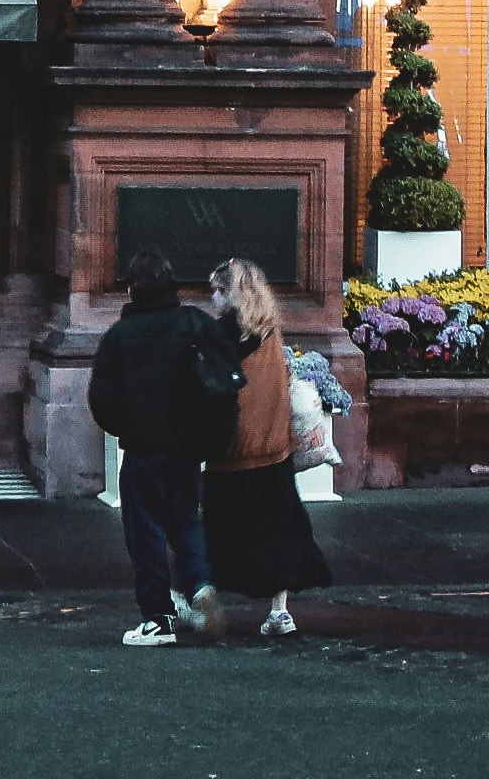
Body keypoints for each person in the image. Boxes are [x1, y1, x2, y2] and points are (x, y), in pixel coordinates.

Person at [87, 249, 232, 647]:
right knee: (186, 519)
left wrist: (126, 427)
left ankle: (158, 616)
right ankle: (200, 583)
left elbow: (101, 399)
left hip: (143, 450)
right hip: (186, 449)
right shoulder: (194, 323)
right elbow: (224, 379)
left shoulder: (119, 336)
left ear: (134, 289)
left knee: (145, 529)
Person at [195, 258, 333, 640]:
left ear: (231, 292)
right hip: (273, 451)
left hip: (234, 453)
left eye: (218, 291)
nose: (213, 298)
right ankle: (279, 611)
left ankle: (199, 601)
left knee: (219, 533)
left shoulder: (223, 334)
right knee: (279, 533)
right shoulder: (270, 331)